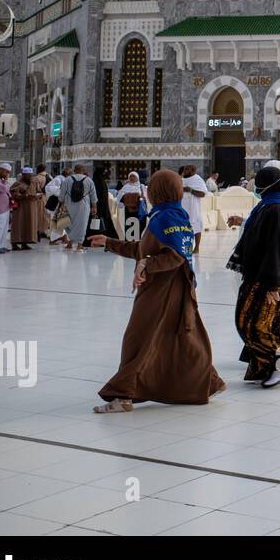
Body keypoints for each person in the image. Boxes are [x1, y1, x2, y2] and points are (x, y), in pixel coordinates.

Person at [88, 170, 226, 413]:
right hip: (176, 289)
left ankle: (124, 395)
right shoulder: (171, 215)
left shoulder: (165, 218)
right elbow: (145, 249)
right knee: (183, 337)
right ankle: (208, 382)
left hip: (162, 290)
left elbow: (174, 257)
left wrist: (146, 265)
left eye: (152, 187)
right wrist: (110, 242)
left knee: (138, 339)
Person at [228, 164, 280, 387]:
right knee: (270, 326)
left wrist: (272, 285)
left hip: (272, 279)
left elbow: (277, 248)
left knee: (252, 323)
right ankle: (267, 368)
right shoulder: (269, 206)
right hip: (265, 275)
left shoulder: (278, 210)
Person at [9, 170, 40, 250]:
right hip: (20, 208)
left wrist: (37, 196)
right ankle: (14, 243)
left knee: (27, 225)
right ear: (23, 175)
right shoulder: (18, 184)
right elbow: (13, 194)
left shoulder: (33, 183)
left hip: (31, 207)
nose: (30, 177)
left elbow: (38, 192)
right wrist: (24, 196)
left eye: (31, 175)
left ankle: (24, 243)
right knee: (18, 225)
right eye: (28, 175)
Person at [180, 165, 208, 250]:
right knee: (183, 228)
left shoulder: (197, 179)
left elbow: (203, 194)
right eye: (184, 169)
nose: (185, 171)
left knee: (196, 228)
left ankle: (197, 247)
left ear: (193, 171)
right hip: (182, 207)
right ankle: (186, 247)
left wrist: (190, 190)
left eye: (187, 169)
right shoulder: (181, 179)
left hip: (193, 209)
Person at [116, 172, 148, 239]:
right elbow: (119, 198)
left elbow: (146, 197)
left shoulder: (141, 186)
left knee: (139, 226)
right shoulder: (125, 187)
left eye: (134, 176)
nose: (132, 178)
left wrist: (140, 198)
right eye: (131, 176)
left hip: (139, 210)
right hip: (128, 210)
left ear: (137, 178)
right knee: (129, 226)